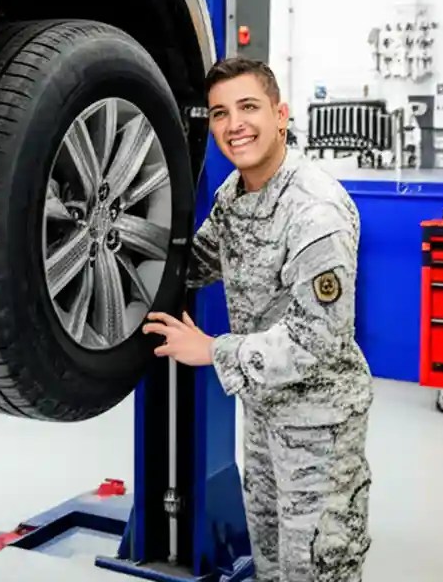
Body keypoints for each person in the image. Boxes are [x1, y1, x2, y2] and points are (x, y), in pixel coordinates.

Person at [142, 57, 373, 582]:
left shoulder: (316, 211)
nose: (234, 125)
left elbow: (320, 342)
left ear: (281, 114)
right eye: (220, 113)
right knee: (270, 562)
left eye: (248, 107)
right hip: (265, 416)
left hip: (320, 428)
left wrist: (213, 350)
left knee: (317, 569)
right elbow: (195, 265)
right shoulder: (234, 198)